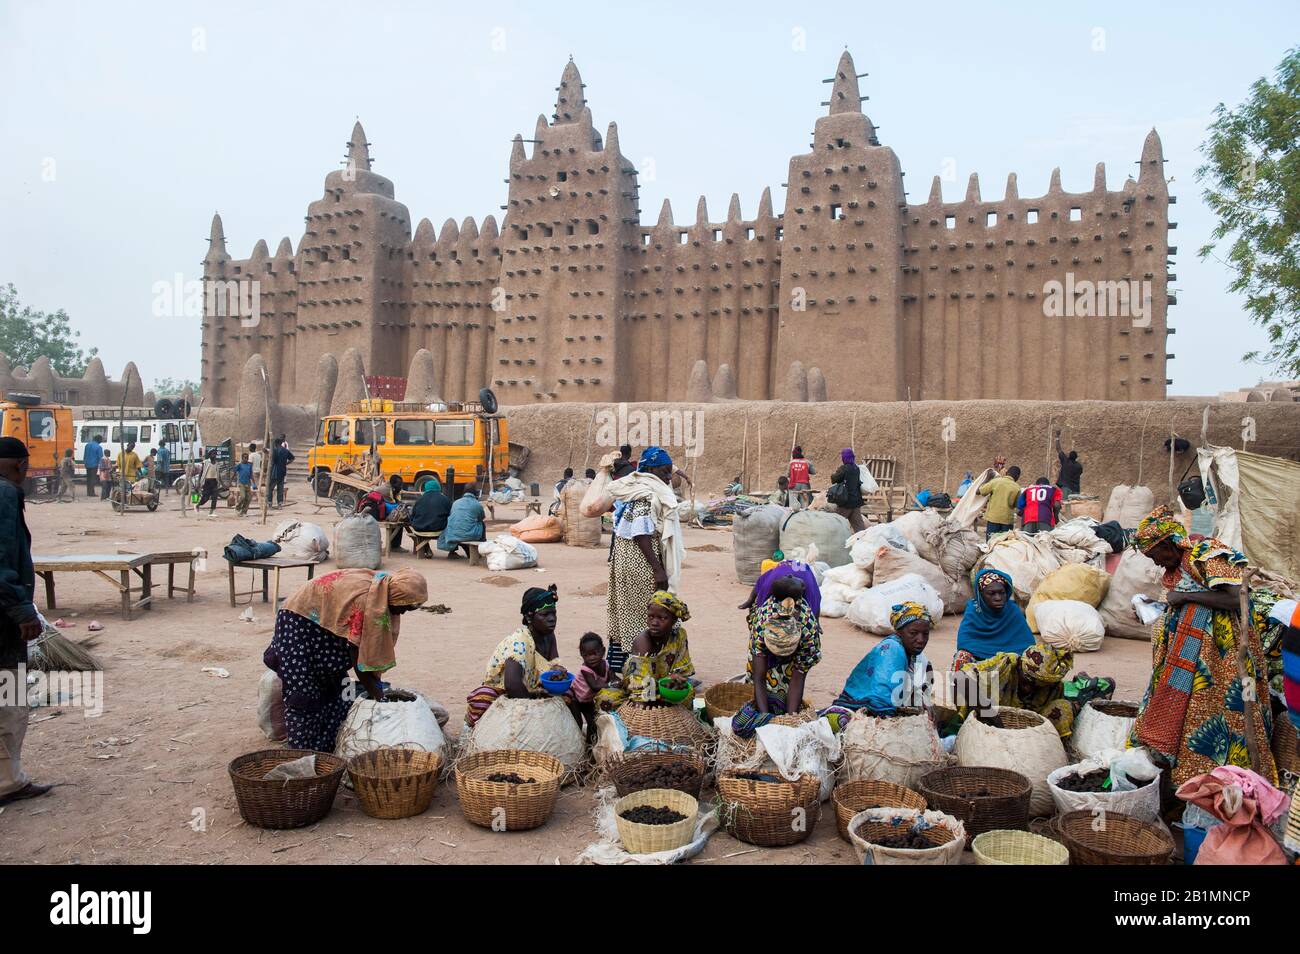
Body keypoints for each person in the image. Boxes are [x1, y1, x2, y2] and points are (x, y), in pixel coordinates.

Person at [1128, 505, 1277, 785]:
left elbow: (1237, 598)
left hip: (1221, 656)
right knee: (1186, 712)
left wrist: (1185, 599)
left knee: (1218, 710)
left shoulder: (1205, 553)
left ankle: (1229, 781)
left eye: (1155, 554)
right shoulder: (1176, 568)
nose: (1156, 562)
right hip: (1188, 653)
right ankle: (1185, 778)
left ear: (1168, 543)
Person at [264, 568, 428, 751]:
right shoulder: (367, 601)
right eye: (405, 607)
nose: (404, 613)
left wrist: (376, 686)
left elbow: (367, 652)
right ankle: (303, 751)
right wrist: (378, 696)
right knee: (304, 693)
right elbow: (358, 656)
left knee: (339, 689)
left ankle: (325, 744)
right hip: (300, 622)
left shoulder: (382, 590)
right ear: (396, 596)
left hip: (325, 625)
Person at [0, 437, 50, 807]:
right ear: (19, 464)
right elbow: (2, 561)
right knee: (10, 694)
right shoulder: (5, 496)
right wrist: (22, 610)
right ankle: (8, 781)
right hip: (3, 618)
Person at [604, 446, 684, 675]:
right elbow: (641, 533)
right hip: (641, 564)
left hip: (630, 562)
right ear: (649, 470)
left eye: (670, 472)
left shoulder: (639, 488)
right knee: (656, 613)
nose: (668, 477)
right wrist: (658, 570)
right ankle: (651, 669)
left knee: (631, 612)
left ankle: (629, 665)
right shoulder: (646, 494)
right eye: (664, 471)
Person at [464, 585, 566, 728]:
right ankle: (469, 732)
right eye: (545, 615)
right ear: (529, 617)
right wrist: (533, 704)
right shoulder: (519, 643)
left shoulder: (549, 636)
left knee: (569, 695)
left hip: (533, 688)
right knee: (483, 698)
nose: (552, 619)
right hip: (504, 691)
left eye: (553, 613)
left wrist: (559, 671)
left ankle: (581, 737)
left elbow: (552, 667)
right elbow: (512, 685)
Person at [732, 575, 823, 737]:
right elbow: (758, 677)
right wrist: (766, 720)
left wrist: (790, 721)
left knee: (788, 683)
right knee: (765, 683)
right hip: (773, 592)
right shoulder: (762, 624)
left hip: (801, 586)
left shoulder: (808, 630)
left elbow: (798, 677)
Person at [830, 602, 932, 722]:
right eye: (913, 633)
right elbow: (881, 696)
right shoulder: (892, 649)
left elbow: (919, 691)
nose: (920, 640)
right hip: (857, 707)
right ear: (899, 632)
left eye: (925, 634)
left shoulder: (918, 657)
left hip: (885, 707)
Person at [954, 641, 1077, 739]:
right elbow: (961, 676)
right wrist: (987, 711)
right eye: (1028, 680)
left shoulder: (1053, 686)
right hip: (991, 717)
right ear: (1020, 667)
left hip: (1032, 735)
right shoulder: (1006, 663)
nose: (1029, 687)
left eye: (1039, 685)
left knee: (1064, 707)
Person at [595, 591, 695, 710]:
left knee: (689, 693)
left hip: (665, 689)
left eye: (662, 618)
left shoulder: (679, 636)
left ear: (673, 620)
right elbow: (640, 684)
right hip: (637, 690)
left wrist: (675, 680)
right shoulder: (643, 641)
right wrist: (645, 710)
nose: (654, 623)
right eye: (651, 616)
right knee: (605, 700)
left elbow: (682, 671)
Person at [953, 568, 1034, 670]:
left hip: (1010, 660)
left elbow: (1027, 644)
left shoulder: (1013, 610)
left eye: (1002, 593)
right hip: (979, 660)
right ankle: (970, 686)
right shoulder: (973, 611)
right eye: (991, 593)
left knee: (1035, 660)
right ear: (981, 595)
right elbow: (965, 642)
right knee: (961, 657)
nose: (998, 598)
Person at [569, 632, 617, 741]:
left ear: (603, 651)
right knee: (578, 723)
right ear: (582, 654)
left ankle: (590, 748)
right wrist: (611, 685)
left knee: (593, 723)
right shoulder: (585, 669)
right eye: (587, 655)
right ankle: (577, 745)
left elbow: (613, 677)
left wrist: (620, 682)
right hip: (576, 699)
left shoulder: (606, 665)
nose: (591, 658)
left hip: (588, 701)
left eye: (595, 653)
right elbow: (594, 686)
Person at [438, 488, 486, 558]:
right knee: (481, 524)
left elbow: (452, 515)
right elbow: (481, 517)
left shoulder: (456, 502)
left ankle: (452, 552)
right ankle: (481, 547)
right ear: (475, 495)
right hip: (469, 534)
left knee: (455, 523)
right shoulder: (477, 504)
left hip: (453, 533)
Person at [977, 465, 1021, 539]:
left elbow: (979, 491)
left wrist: (987, 479)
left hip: (993, 519)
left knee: (991, 543)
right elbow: (1017, 506)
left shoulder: (995, 482)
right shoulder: (1017, 488)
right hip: (1007, 521)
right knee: (1004, 545)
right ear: (1017, 476)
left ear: (1007, 473)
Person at [829, 447, 867, 532]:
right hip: (856, 501)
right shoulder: (856, 468)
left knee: (835, 525)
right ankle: (862, 542)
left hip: (845, 503)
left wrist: (835, 473)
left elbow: (834, 479)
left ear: (844, 458)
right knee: (860, 529)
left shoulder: (844, 468)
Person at [409, 480, 452, 554]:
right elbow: (451, 515)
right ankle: (452, 552)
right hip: (438, 529)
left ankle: (425, 549)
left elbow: (413, 515)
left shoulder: (419, 500)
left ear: (426, 488)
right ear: (438, 488)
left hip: (419, 529)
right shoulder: (445, 499)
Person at [267, 437, 295, 507]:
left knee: (271, 487)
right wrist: (286, 463)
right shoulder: (285, 450)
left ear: (276, 444)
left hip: (275, 471)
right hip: (282, 471)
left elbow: (273, 460)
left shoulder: (275, 450)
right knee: (280, 488)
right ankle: (280, 503)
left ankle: (269, 502)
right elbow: (292, 458)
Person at [1055, 431, 1082, 496]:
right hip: (1075, 489)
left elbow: (1058, 449)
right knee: (1074, 505)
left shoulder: (1065, 461)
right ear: (1076, 458)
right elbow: (1080, 473)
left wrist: (1057, 437)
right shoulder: (1079, 466)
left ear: (1069, 456)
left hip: (1066, 488)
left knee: (1065, 504)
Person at [197, 450, 222, 515]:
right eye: (213, 454)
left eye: (215, 454)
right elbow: (201, 473)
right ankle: (198, 504)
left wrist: (222, 483)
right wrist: (199, 482)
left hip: (214, 481)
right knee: (206, 498)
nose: (214, 455)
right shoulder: (205, 462)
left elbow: (218, 474)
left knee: (215, 497)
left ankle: (211, 512)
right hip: (207, 482)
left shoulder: (216, 463)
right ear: (210, 455)